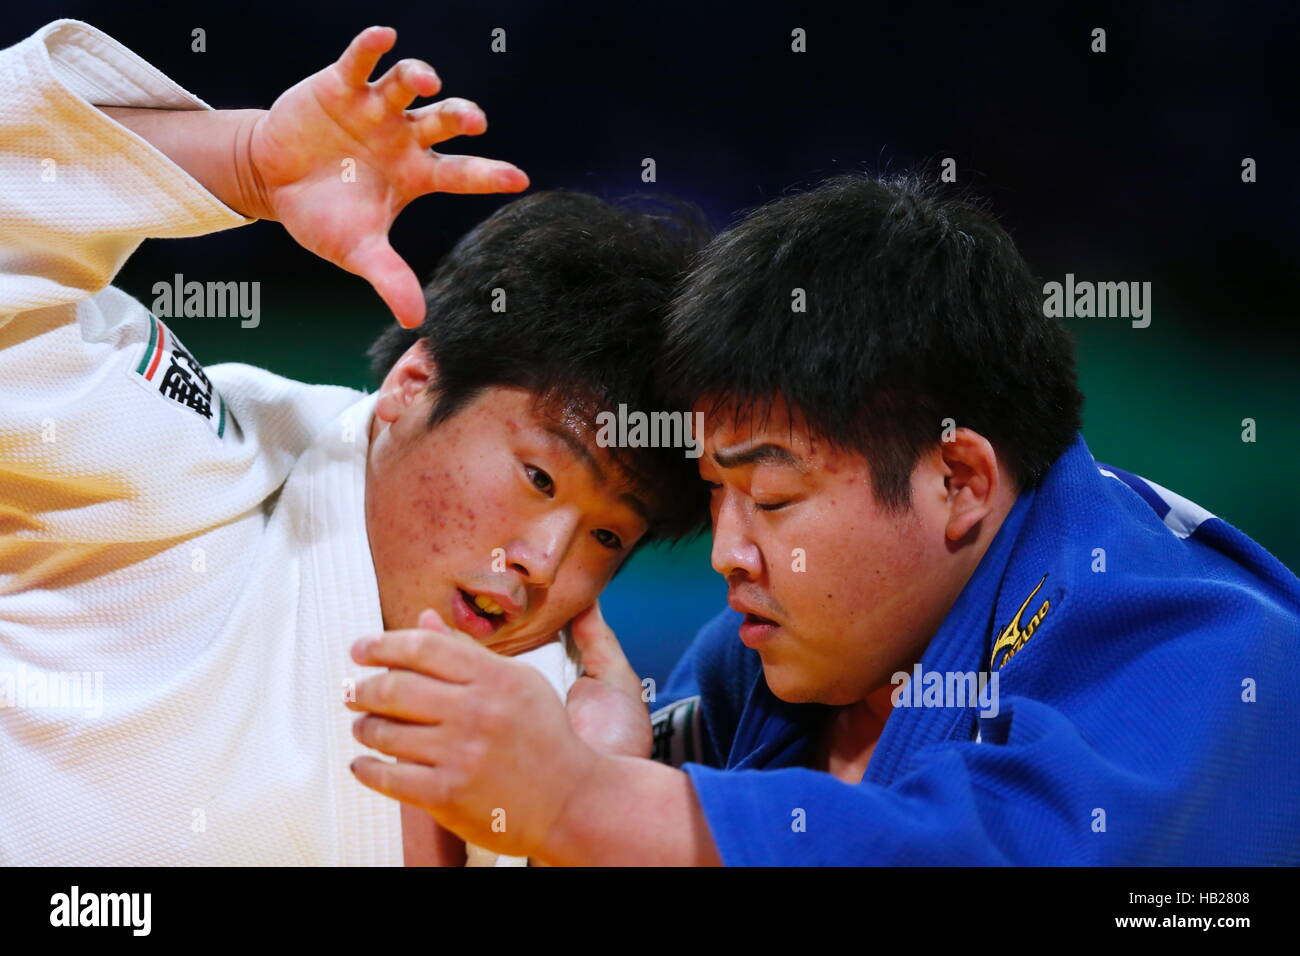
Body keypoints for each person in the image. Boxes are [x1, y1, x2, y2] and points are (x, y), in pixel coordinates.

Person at [347, 173, 1300, 865]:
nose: (727, 553)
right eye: (715, 494)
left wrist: (584, 802)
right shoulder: (771, 657)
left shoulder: (1216, 658)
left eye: (771, 500)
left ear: (958, 481)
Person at [0, 19, 707, 865]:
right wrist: (243, 161)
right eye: (540, 478)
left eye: (608, 537)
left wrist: (589, 812)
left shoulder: (562, 735)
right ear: (415, 384)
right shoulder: (185, 469)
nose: (542, 564)